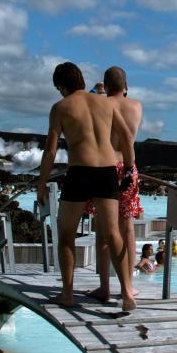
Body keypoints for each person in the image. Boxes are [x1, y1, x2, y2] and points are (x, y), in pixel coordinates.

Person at [36, 62, 136, 311]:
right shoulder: (106, 103)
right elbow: (126, 138)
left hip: (79, 172)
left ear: (61, 86)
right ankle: (126, 294)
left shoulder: (60, 107)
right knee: (114, 234)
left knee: (66, 233)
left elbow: (50, 151)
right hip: (106, 172)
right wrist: (128, 170)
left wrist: (41, 184)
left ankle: (67, 293)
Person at [88, 66, 144, 303]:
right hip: (129, 167)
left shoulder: (102, 103)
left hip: (105, 167)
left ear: (106, 85)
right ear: (126, 85)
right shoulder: (136, 106)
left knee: (103, 229)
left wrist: (98, 91)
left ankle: (104, 287)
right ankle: (128, 286)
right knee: (127, 228)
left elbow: (87, 99)